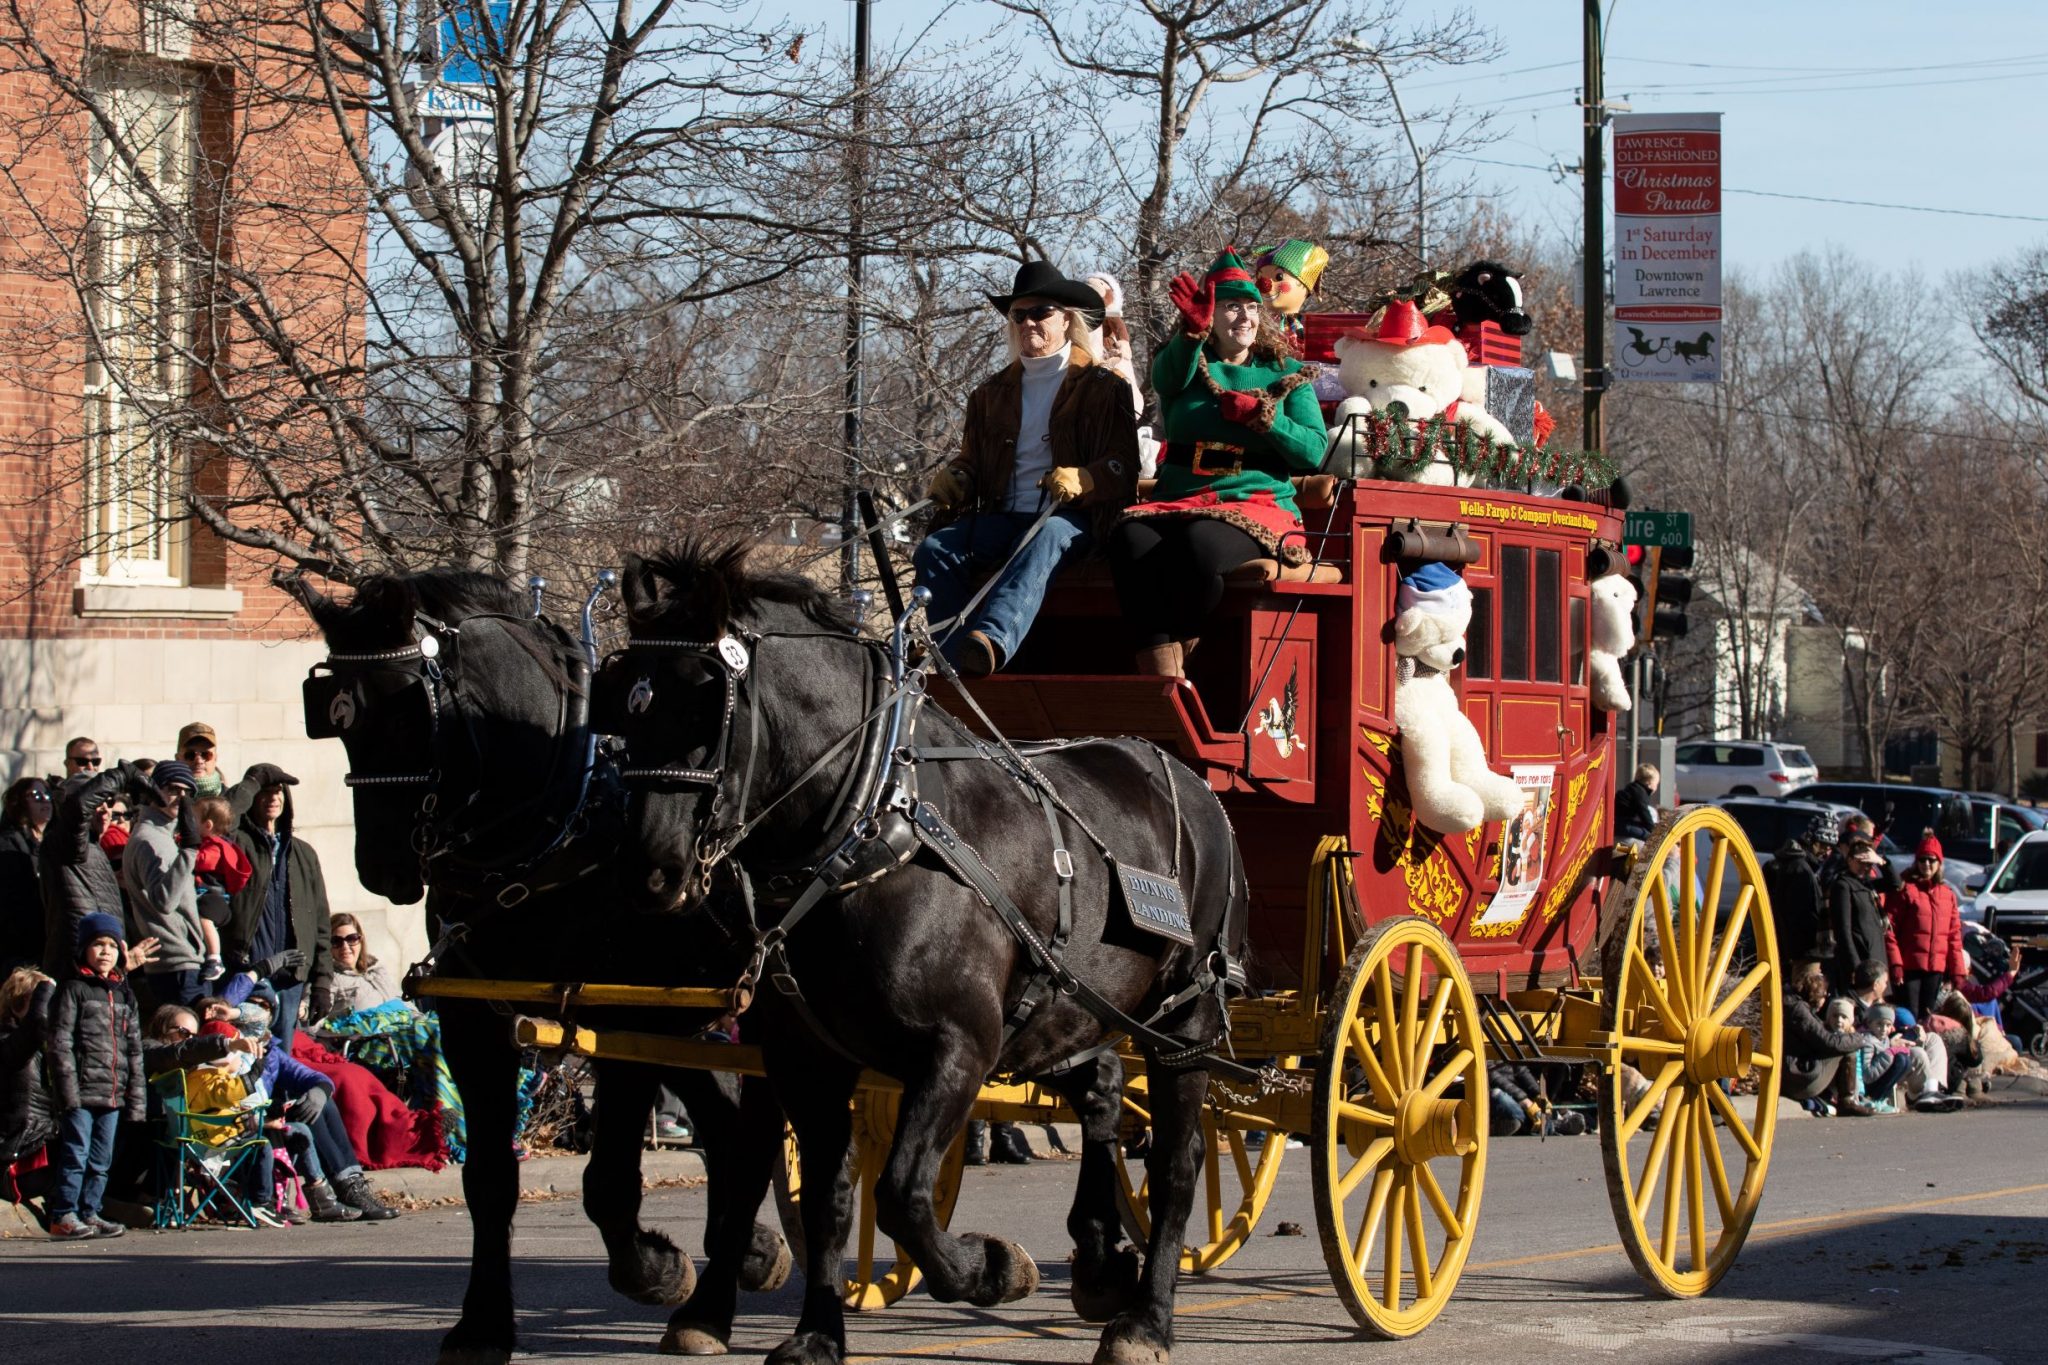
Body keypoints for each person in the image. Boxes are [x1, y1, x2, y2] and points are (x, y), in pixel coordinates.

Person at [912, 260, 1140, 677]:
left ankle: (992, 641)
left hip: (1073, 521)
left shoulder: (1104, 387)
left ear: (1067, 319)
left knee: (1046, 535)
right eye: (1020, 315)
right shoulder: (989, 394)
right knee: (936, 548)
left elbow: (1124, 468)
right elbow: (973, 461)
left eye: (1041, 312)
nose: (1029, 323)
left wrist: (1087, 478)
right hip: (1004, 516)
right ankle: (952, 657)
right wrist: (957, 476)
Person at [1110, 248, 1328, 677]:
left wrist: (1265, 421)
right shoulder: (1184, 364)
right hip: (1180, 496)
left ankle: (1186, 654)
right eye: (1231, 307)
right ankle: (1160, 667)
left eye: (1250, 307)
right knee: (1128, 538)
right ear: (1210, 313)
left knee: (1200, 545)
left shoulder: (1286, 370)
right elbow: (1166, 380)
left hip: (1254, 499)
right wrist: (1189, 337)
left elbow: (1312, 451)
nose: (1244, 317)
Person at [45, 912, 146, 1239]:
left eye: (112, 945)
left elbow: (134, 1049)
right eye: (97, 944)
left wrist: (136, 1099)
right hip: (80, 1091)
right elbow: (61, 1042)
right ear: (83, 949)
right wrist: (68, 1092)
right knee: (76, 1154)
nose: (105, 951)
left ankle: (90, 1211)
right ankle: (64, 1214)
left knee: (102, 1159)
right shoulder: (73, 988)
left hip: (113, 1092)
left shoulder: (124, 993)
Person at [228, 770, 333, 1046]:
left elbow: (321, 921)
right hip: (248, 973)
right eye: (265, 791)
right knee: (246, 1057)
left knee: (281, 1059)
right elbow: (221, 824)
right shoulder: (238, 842)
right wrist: (252, 782)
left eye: (278, 791)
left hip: (291, 978)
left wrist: (322, 982)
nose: (273, 797)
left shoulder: (303, 853)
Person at [123, 759, 209, 1009]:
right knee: (189, 1046)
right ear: (154, 791)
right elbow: (164, 901)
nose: (180, 797)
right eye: (173, 789)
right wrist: (190, 850)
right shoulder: (150, 839)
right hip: (175, 964)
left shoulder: (161, 836)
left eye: (187, 792)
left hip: (181, 962)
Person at [37, 762, 130, 980]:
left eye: (109, 802)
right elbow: (78, 809)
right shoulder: (66, 840)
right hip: (76, 968)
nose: (106, 810)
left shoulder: (93, 845)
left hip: (99, 970)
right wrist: (122, 774)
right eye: (97, 802)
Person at [1885, 835, 1967, 1021]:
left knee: (1928, 1018)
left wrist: (1957, 971)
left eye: (1932, 860)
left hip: (1935, 969)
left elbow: (1954, 936)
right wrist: (1896, 964)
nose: (1927, 864)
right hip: (1908, 968)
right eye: (1922, 859)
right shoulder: (1905, 890)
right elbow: (1889, 929)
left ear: (1939, 862)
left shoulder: (1948, 895)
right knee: (1908, 1017)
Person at [1780, 963, 1870, 1115]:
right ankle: (1847, 1101)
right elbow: (1829, 1042)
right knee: (1846, 1046)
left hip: (1792, 1076)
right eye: (1825, 995)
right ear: (1817, 993)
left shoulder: (1795, 1006)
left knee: (1844, 1042)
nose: (1825, 999)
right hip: (1798, 1079)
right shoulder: (1798, 1010)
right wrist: (1859, 1038)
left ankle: (1836, 1098)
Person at [1, 967, 57, 1209]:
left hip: (43, 1149)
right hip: (18, 1161)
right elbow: (35, 1024)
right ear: (17, 1005)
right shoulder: (7, 1043)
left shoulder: (50, 1046)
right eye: (43, 1002)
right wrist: (47, 987)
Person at [191, 797, 252, 985]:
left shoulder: (215, 846)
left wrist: (185, 849)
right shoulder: (210, 843)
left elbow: (200, 861)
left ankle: (215, 958)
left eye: (192, 819)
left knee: (205, 921)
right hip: (209, 896)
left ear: (207, 825)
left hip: (214, 898)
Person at [1763, 815, 1836, 972]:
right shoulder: (1800, 868)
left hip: (1791, 946)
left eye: (1830, 847)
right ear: (1812, 841)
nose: (1827, 852)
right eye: (1824, 846)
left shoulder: (1796, 864)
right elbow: (1799, 914)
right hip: (1802, 949)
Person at [1826, 838, 1892, 995]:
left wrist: (1882, 861)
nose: (1865, 867)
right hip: (1860, 957)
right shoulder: (1843, 885)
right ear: (1849, 860)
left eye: (1869, 864)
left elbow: (1894, 883)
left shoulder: (1868, 885)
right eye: (1860, 862)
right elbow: (1843, 929)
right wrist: (1855, 966)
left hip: (1876, 957)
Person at [2, 777, 53, 970]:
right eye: (37, 796)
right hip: (20, 944)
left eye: (47, 795)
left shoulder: (48, 840)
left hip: (44, 938)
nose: (45, 800)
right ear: (19, 802)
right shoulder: (9, 843)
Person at [326, 912, 400, 1017]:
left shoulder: (377, 970)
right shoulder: (327, 979)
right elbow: (312, 1025)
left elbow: (402, 1004)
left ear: (361, 941)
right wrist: (352, 1029)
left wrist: (423, 1022)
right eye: (336, 941)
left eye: (351, 938)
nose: (345, 946)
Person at [176, 722, 226, 799]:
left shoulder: (232, 800)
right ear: (178, 759)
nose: (199, 761)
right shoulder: (167, 802)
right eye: (190, 755)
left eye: (206, 755)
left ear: (215, 758)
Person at [1615, 764, 1659, 844]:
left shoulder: (1632, 788)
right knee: (1650, 837)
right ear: (1649, 782)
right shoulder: (1640, 793)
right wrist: (1654, 831)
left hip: (1618, 823)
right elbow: (1644, 813)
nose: (1656, 787)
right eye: (1656, 784)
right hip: (1623, 825)